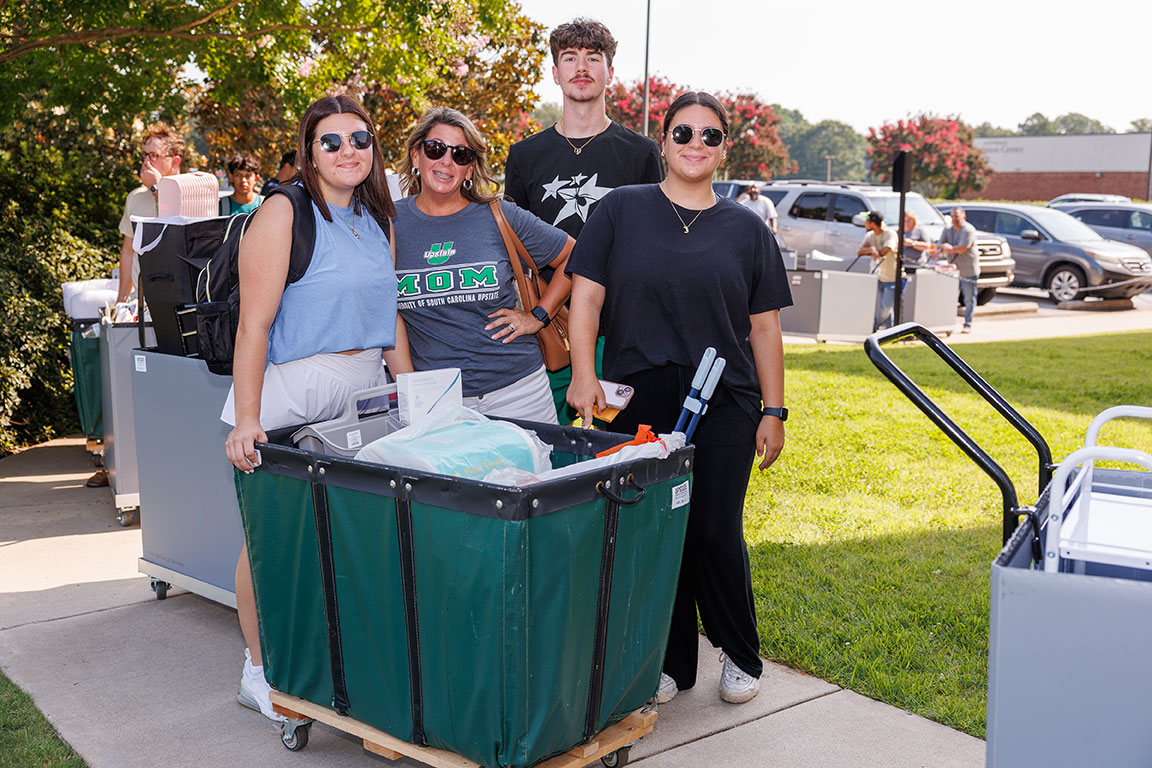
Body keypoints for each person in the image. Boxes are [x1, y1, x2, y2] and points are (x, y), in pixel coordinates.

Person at [566, 92, 791, 705]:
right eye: (684, 132)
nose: (696, 143)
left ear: (724, 149)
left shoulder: (746, 228)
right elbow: (584, 299)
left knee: (714, 528)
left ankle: (740, 652)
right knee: (654, 530)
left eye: (710, 135)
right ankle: (670, 663)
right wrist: (582, 376)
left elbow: (764, 327)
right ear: (662, 142)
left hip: (725, 398)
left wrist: (774, 410)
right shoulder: (620, 210)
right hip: (638, 397)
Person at [223, 94, 413, 721]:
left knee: (346, 540)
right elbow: (255, 326)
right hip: (292, 395)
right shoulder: (283, 211)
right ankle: (258, 671)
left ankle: (330, 663)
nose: (346, 151)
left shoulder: (378, 217)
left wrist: (413, 393)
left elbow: (390, 317)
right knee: (273, 542)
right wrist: (248, 418)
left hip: (363, 393)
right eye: (330, 141)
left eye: (358, 139)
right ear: (308, 151)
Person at [504, 17, 663, 422]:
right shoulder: (525, 155)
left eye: (593, 58)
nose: (581, 67)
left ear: (609, 72)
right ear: (555, 73)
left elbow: (653, 245)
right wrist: (534, 312)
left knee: (616, 454)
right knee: (543, 449)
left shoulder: (641, 153)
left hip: (619, 328)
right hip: (548, 326)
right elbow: (513, 248)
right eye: (569, 58)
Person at [394, 108, 574, 423]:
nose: (446, 161)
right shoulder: (389, 225)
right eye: (436, 149)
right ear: (416, 155)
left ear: (470, 168)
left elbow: (575, 255)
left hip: (519, 392)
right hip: (439, 402)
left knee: (535, 475)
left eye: (461, 154)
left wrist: (538, 316)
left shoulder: (498, 216)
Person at [116, 122, 184, 303]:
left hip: (180, 300)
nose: (147, 162)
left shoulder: (189, 192)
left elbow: (175, 222)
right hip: (143, 303)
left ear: (175, 161)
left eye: (154, 156)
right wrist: (122, 301)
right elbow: (128, 252)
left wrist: (156, 188)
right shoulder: (135, 197)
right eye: (145, 155)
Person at [938, 207, 980, 333]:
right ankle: (948, 324)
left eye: (957, 216)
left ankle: (967, 323)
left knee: (968, 298)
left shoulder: (968, 230)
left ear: (964, 217)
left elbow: (962, 248)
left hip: (968, 270)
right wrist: (944, 246)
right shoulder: (947, 229)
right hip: (952, 270)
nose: (954, 219)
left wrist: (948, 248)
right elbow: (939, 244)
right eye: (952, 216)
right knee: (950, 298)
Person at [858, 211, 898, 331]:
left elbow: (886, 250)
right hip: (879, 276)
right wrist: (871, 249)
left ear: (873, 223)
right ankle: (892, 333)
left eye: (866, 221)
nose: (864, 223)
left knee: (885, 307)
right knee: (886, 308)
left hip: (892, 277)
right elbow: (860, 251)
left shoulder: (890, 233)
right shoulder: (870, 235)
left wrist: (876, 251)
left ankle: (872, 328)